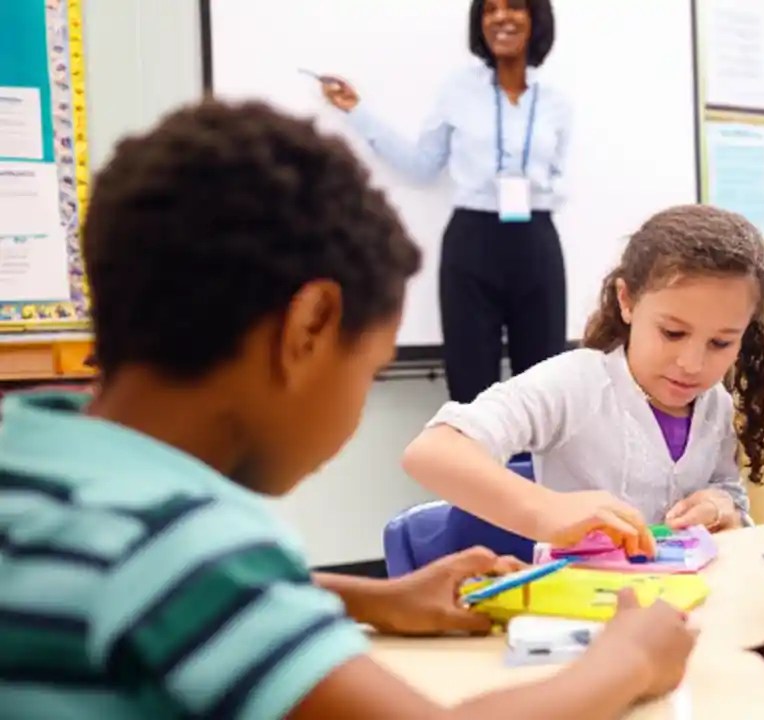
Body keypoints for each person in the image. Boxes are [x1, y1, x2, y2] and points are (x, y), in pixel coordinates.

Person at [0, 100, 695, 719]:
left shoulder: (34, 449)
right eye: (366, 371)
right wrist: (629, 661)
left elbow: (158, 599)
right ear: (309, 328)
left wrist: (367, 598)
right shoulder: (183, 544)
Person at [402, 204, 764, 554]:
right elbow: (432, 452)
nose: (692, 364)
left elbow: (728, 491)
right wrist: (548, 510)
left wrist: (719, 506)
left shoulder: (715, 404)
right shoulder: (576, 383)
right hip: (584, 610)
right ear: (627, 301)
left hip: (685, 602)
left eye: (721, 342)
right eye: (672, 333)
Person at [319, 0, 572, 404]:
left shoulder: (556, 102)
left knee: (543, 388)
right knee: (471, 388)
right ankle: (472, 466)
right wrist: (358, 112)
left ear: (535, 19)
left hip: (536, 241)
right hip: (473, 242)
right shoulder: (458, 91)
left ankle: (535, 470)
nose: (501, 18)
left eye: (513, 8)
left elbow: (555, 173)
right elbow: (421, 166)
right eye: (489, 10)